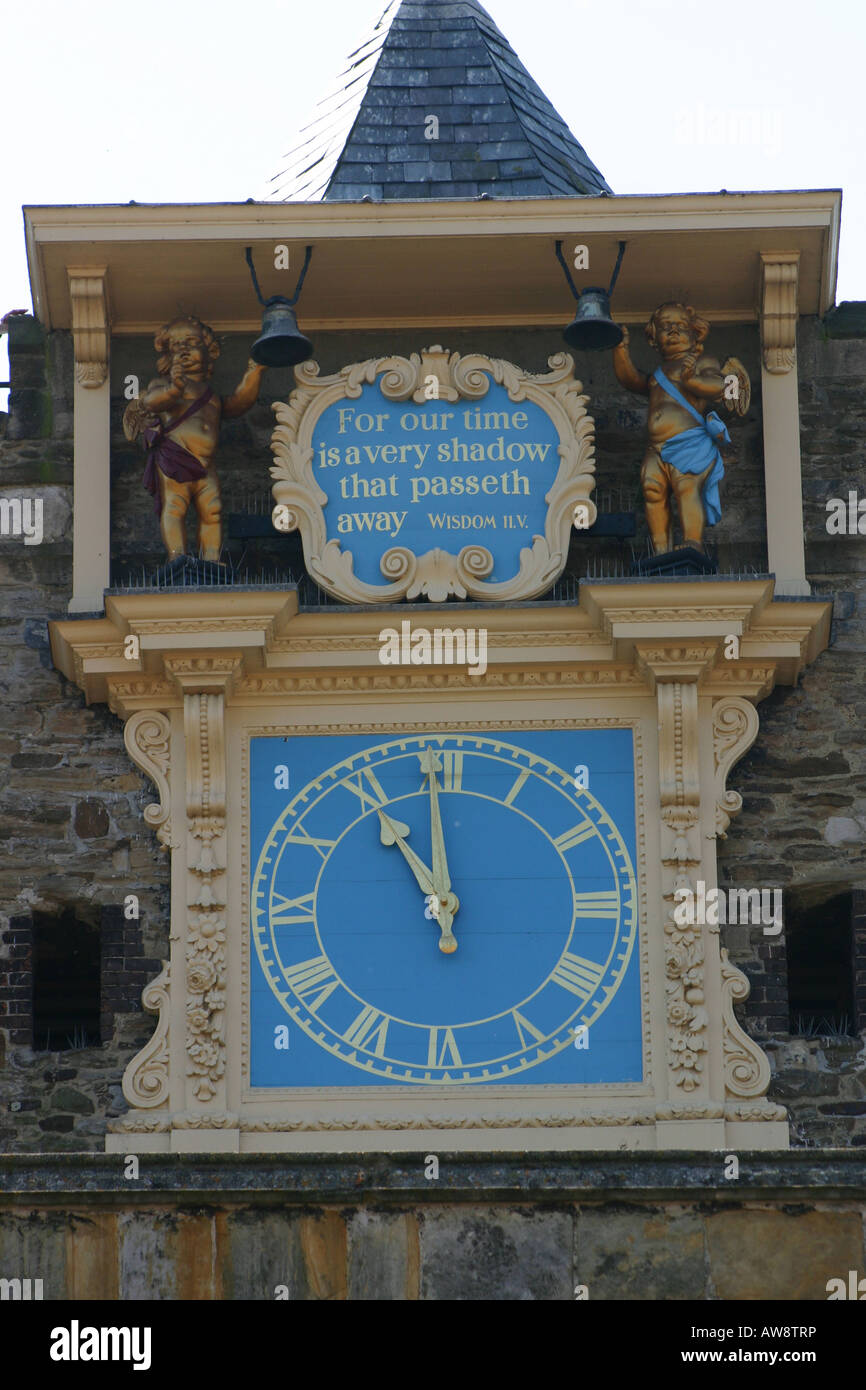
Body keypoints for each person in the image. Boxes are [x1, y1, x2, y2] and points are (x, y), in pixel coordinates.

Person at [124, 316, 267, 563]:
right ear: (168, 356)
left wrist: (255, 372)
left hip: (205, 466)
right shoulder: (162, 384)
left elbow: (239, 403)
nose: (184, 350)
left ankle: (212, 557)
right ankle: (176, 556)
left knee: (213, 511)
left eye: (191, 343)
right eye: (176, 346)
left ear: (209, 351)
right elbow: (150, 402)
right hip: (175, 457)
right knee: (174, 507)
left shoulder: (211, 395)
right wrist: (174, 389)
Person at [612, 302, 748, 554]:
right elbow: (632, 380)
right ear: (654, 339)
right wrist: (620, 351)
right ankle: (660, 549)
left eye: (680, 326)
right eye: (665, 327)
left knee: (687, 489)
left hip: (688, 442)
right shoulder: (659, 371)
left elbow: (720, 386)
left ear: (695, 333)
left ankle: (693, 542)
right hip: (656, 448)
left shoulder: (701, 361)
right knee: (652, 491)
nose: (673, 331)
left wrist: (693, 379)